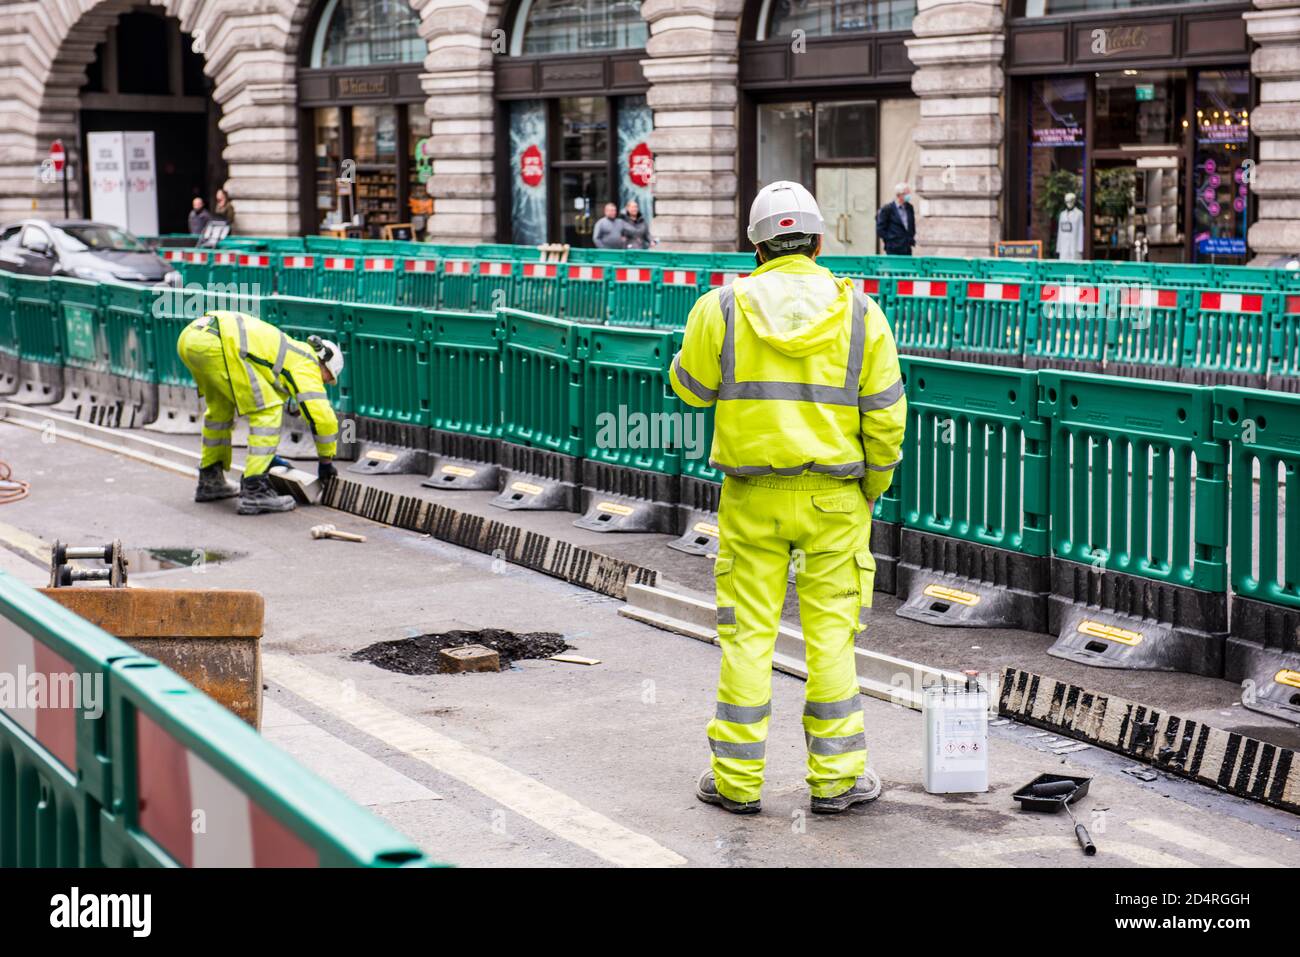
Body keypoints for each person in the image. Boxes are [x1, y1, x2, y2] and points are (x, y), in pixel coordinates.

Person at [669, 181, 907, 816]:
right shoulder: (861, 311)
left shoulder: (719, 306)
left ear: (755, 245)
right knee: (831, 638)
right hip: (836, 500)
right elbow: (886, 416)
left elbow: (690, 387)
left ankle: (737, 783)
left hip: (752, 498)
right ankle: (835, 783)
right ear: (820, 241)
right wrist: (871, 490)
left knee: (748, 637)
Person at [176, 310, 343, 515]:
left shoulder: (287, 351)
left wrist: (267, 456)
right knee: (268, 410)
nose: (324, 383)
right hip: (218, 343)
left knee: (220, 411)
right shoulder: (307, 361)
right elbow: (323, 418)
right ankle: (254, 491)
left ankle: (211, 479)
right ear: (324, 364)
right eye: (328, 378)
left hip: (193, 337)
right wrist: (326, 462)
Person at [876, 182, 916, 255]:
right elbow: (880, 229)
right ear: (899, 195)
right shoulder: (887, 209)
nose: (909, 196)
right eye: (906, 193)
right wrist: (891, 239)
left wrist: (910, 238)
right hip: (893, 248)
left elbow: (912, 226)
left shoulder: (909, 208)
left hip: (907, 247)